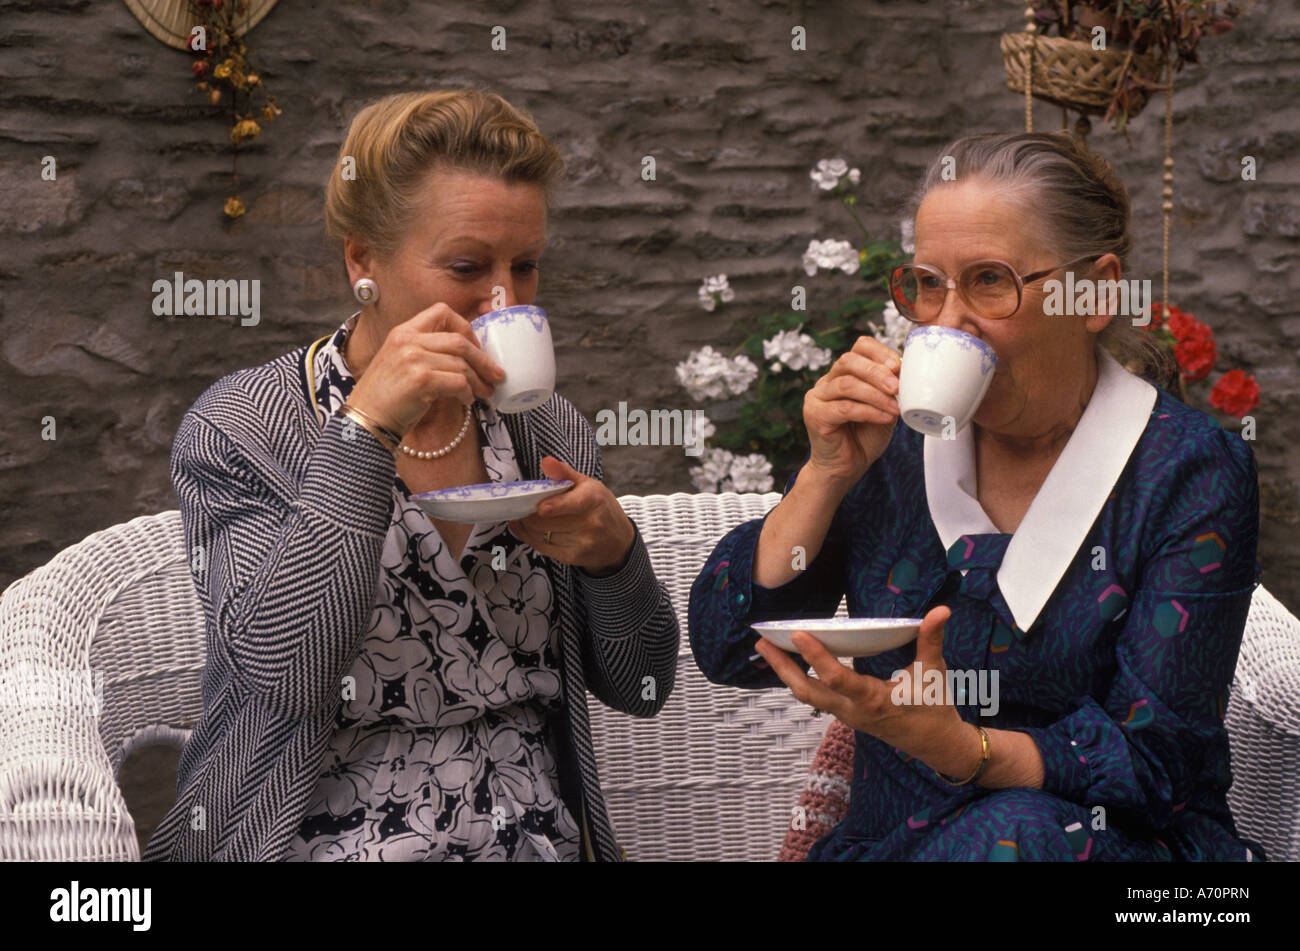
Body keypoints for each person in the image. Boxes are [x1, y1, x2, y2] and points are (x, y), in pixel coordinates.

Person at [689, 130, 1264, 861]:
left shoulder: (1187, 472)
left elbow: (1158, 766)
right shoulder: (893, 446)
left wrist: (965, 748)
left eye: (989, 280)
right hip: (895, 847)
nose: (947, 321)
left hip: (1112, 854)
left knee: (1018, 835)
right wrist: (824, 475)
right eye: (929, 283)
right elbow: (727, 649)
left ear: (1095, 293)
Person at [143, 89, 679, 862]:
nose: (505, 300)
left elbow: (642, 686)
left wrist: (615, 557)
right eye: (467, 266)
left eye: (525, 266)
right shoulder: (245, 426)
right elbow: (280, 678)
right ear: (364, 261)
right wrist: (365, 431)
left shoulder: (546, 429)